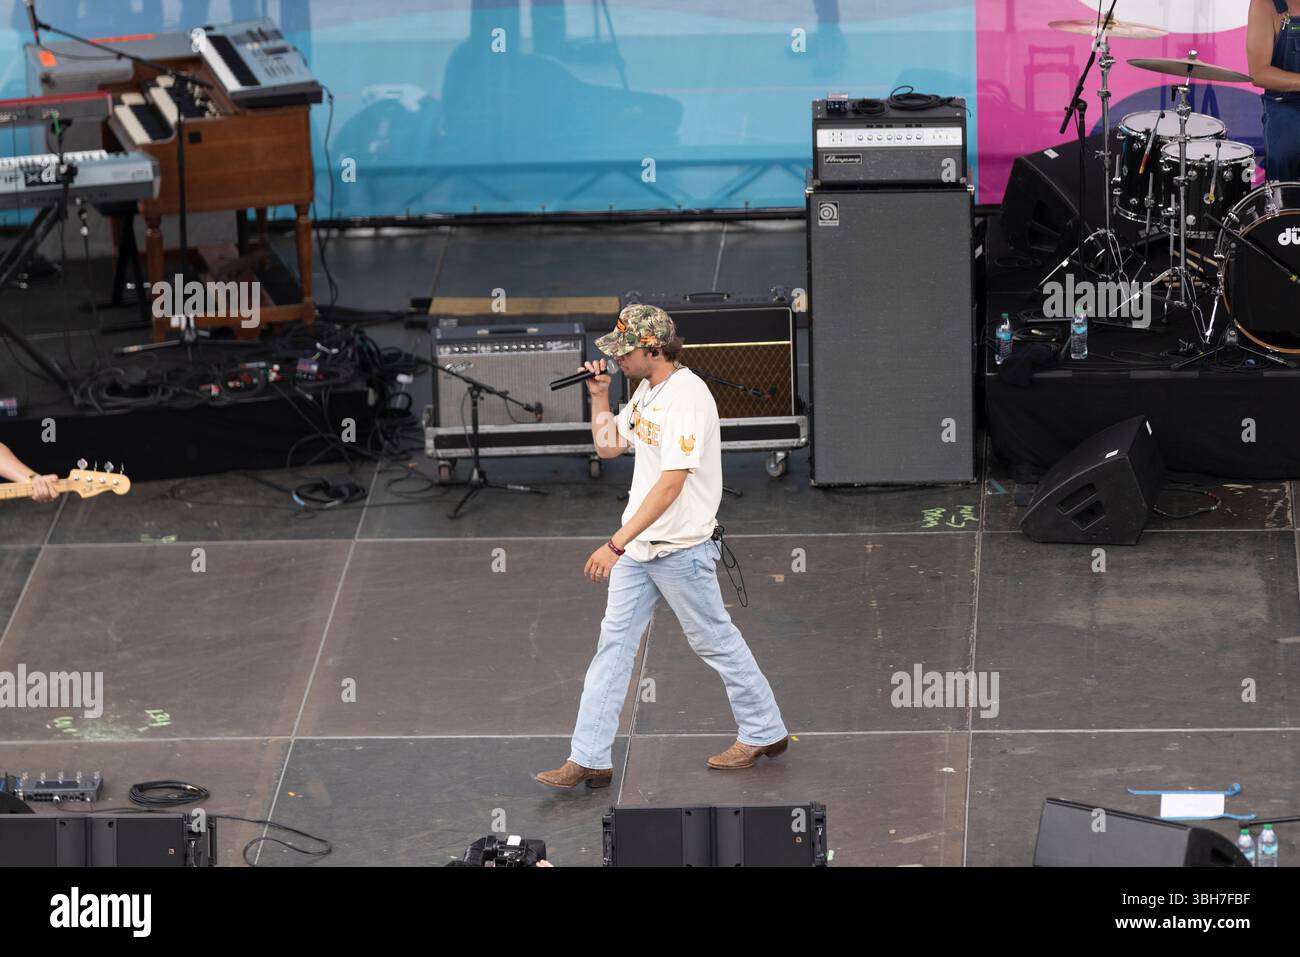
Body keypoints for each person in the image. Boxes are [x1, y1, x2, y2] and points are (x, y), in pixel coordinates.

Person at [534, 304, 788, 790]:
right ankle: (588, 757)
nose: (617, 359)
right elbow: (608, 447)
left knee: (714, 640)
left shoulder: (688, 398)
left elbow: (671, 484)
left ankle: (763, 731)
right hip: (639, 549)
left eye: (624, 352)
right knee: (613, 646)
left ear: (653, 349)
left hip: (680, 550)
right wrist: (601, 396)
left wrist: (614, 544)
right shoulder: (647, 391)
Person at [1249, 0, 1300, 181]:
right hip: (1284, 103)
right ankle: (1285, 207)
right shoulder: (1265, 4)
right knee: (1284, 153)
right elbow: (1259, 73)